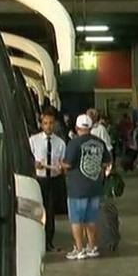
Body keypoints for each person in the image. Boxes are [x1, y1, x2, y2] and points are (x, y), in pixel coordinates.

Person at [62, 114, 112, 260]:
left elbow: (68, 164)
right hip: (95, 188)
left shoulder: (74, 143)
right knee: (91, 220)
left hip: (77, 189)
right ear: (90, 127)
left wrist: (61, 164)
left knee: (76, 220)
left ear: (77, 128)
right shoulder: (99, 142)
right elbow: (106, 162)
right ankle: (92, 247)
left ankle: (79, 249)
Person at [29, 110, 67, 252]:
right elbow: (28, 159)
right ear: (41, 124)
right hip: (39, 180)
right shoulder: (33, 141)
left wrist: (61, 167)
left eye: (51, 123)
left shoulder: (60, 143)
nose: (49, 126)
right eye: (45, 123)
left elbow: (63, 161)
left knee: (50, 212)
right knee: (38, 210)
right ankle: (37, 240)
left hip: (54, 180)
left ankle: (48, 241)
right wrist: (34, 164)